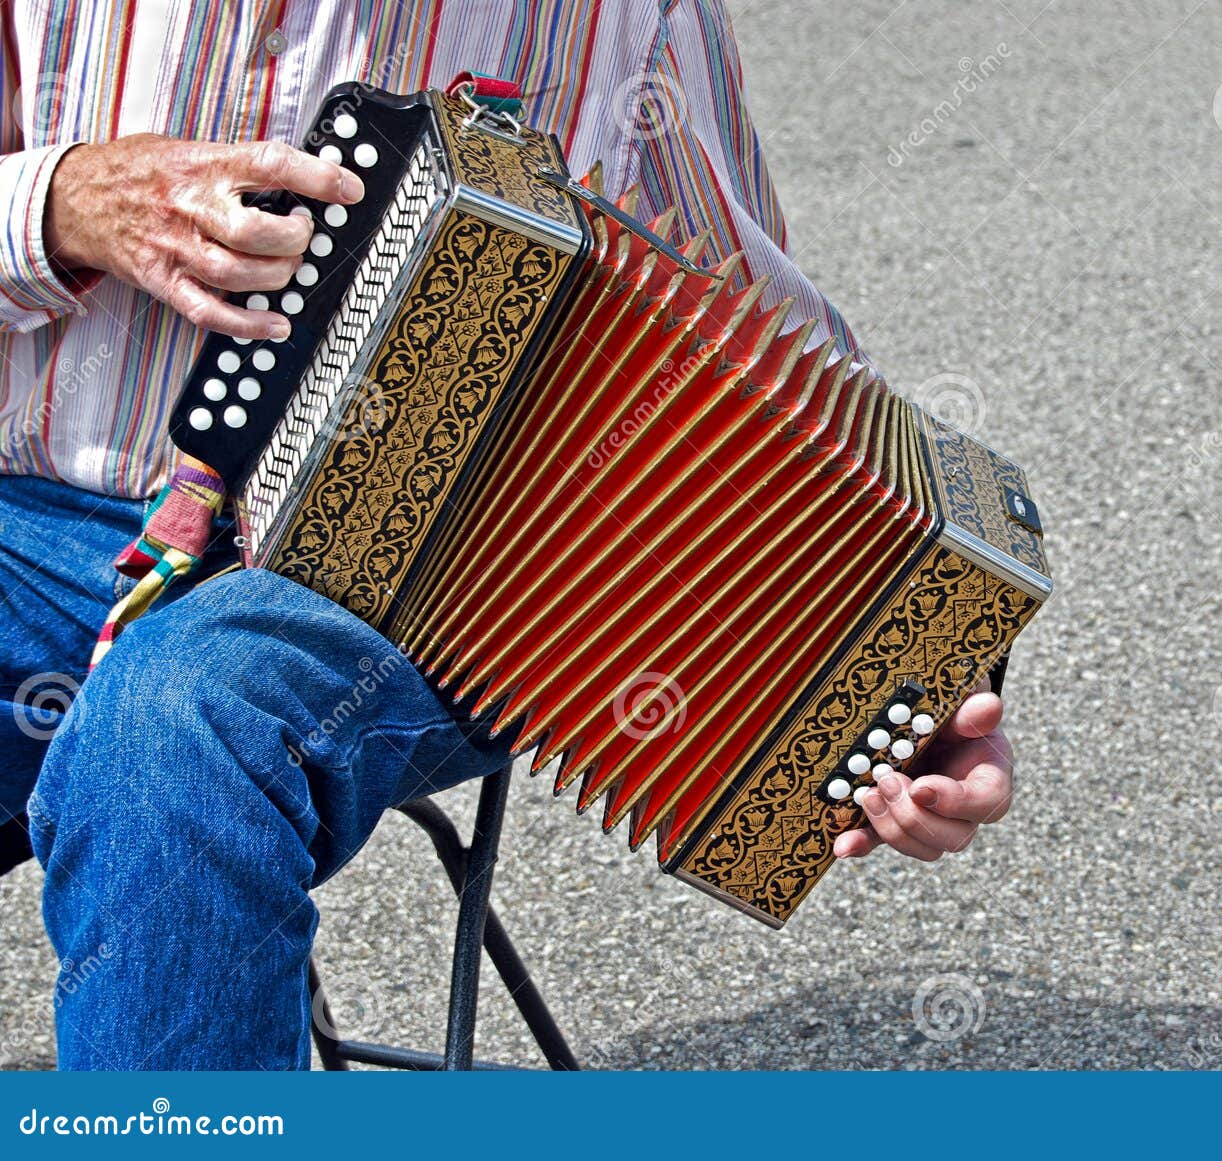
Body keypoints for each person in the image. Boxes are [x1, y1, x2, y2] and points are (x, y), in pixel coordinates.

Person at [0, 0, 1016, 1069]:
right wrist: (59, 204)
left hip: (419, 587)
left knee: (176, 725)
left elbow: (770, 362)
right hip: (38, 514)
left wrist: (926, 681)